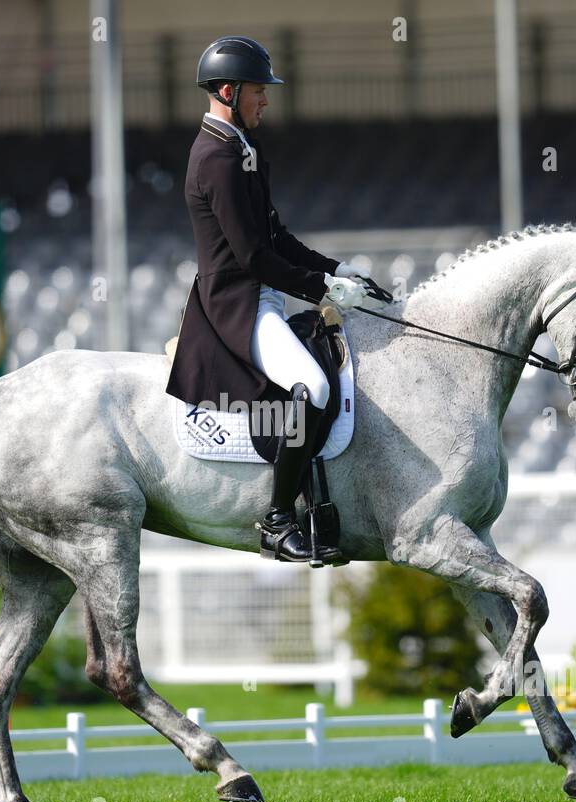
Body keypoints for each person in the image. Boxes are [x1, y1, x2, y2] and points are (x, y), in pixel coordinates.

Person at [164, 35, 388, 563]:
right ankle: (277, 518)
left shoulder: (243, 150)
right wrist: (322, 289)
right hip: (235, 307)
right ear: (228, 90)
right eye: (258, 91)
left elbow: (276, 237)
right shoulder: (214, 158)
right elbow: (249, 256)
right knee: (309, 385)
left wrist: (335, 267)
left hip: (263, 295)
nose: (265, 100)